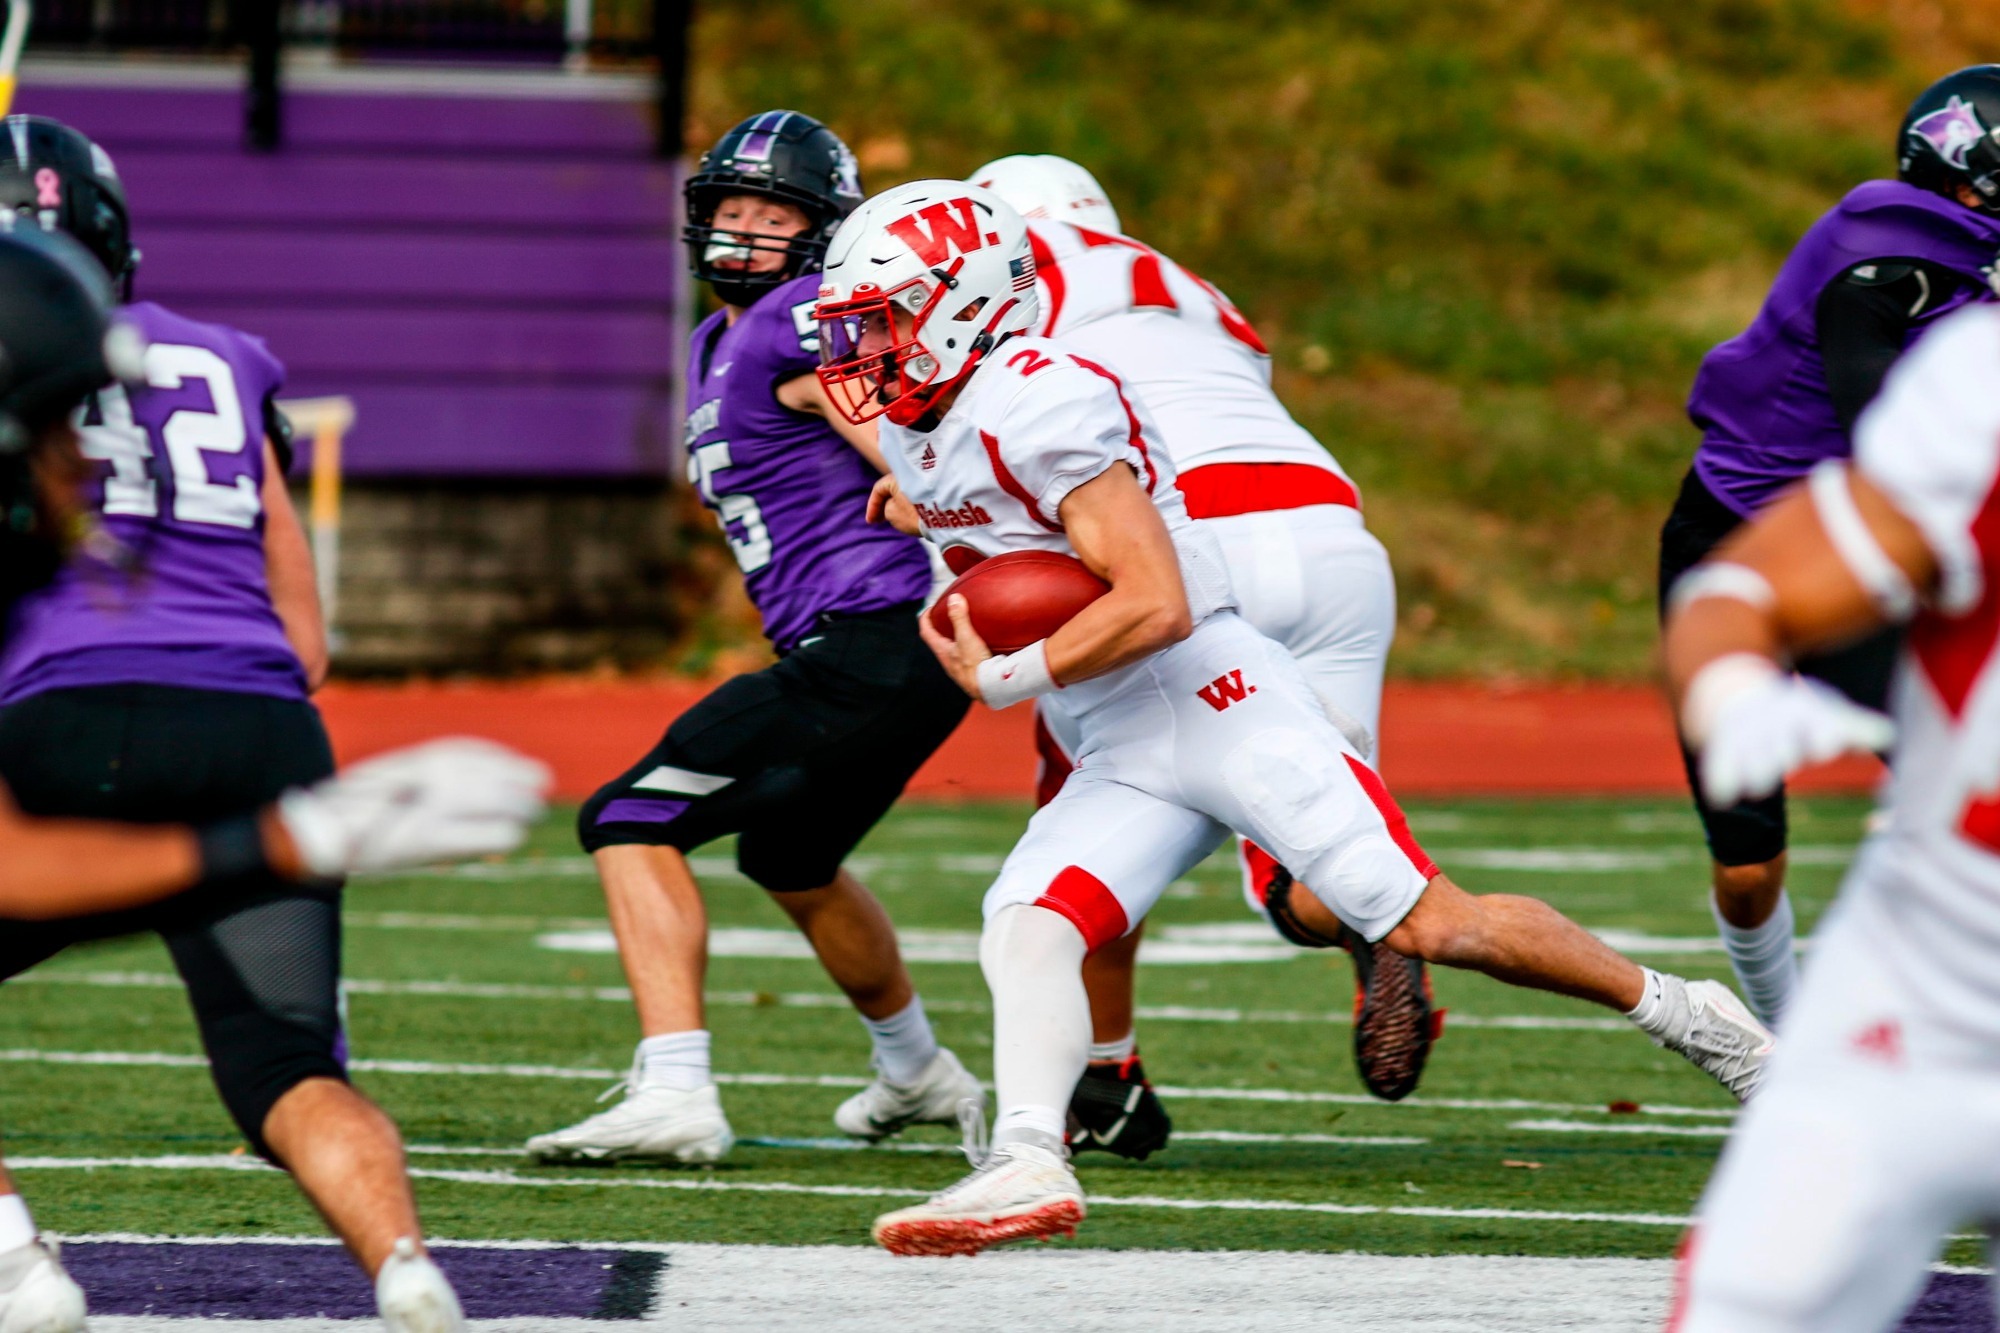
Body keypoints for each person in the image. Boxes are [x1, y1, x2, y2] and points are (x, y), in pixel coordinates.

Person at [815, 179, 1776, 1257]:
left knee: (1431, 924)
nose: (860, 350)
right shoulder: (921, 417)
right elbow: (959, 492)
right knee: (1026, 916)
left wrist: (1009, 672)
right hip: (1123, 738)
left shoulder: (1041, 394)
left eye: (880, 319)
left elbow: (1155, 598)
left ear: (962, 305)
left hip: (1215, 695)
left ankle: (1691, 1015)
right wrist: (930, 510)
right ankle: (1027, 1160)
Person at [0, 224, 550, 1333]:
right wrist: (286, 837)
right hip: (255, 720)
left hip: (71, 725)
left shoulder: (39, 554)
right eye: (70, 421)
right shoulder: (215, 372)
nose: (94, 460)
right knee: (282, 1061)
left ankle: (15, 1268)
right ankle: (405, 1268)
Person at [526, 111, 979, 1167]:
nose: (742, 227)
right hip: (861, 651)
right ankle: (915, 1070)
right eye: (728, 207)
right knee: (792, 854)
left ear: (818, 230)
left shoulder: (804, 318)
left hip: (874, 638)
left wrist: (934, 503)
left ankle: (676, 1086)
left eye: (770, 212)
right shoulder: (713, 339)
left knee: (626, 816)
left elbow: (914, 445)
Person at [968, 154, 1418, 1158]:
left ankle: (1104, 1070)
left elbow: (1041, 454)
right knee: (1324, 839)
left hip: (1190, 548)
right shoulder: (1194, 291)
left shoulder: (1001, 280)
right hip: (1333, 536)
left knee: (1084, 805)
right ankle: (1372, 918)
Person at [1664, 298, 2000, 1331]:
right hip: (1925, 989)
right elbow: (1744, 589)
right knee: (1747, 1305)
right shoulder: (1980, 386)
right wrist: (1732, 690)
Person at [1663, 65, 2000, 1028]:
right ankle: (1778, 1038)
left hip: (1866, 542)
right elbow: (1880, 424)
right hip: (1739, 545)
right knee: (1747, 859)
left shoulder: (1973, 249)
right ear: (1967, 173)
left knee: (1964, 755)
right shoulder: (1885, 250)